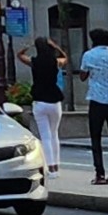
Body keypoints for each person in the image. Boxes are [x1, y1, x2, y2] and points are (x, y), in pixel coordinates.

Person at [79, 28, 108, 185]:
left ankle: (99, 174)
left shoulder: (89, 55)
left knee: (96, 137)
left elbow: (82, 76)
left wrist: (92, 73)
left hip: (97, 98)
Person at [27, 33, 66, 173]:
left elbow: (20, 56)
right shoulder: (55, 62)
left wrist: (28, 46)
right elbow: (65, 58)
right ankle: (57, 164)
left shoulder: (34, 62)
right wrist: (56, 47)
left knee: (45, 136)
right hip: (54, 101)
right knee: (54, 133)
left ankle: (50, 167)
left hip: (39, 101)